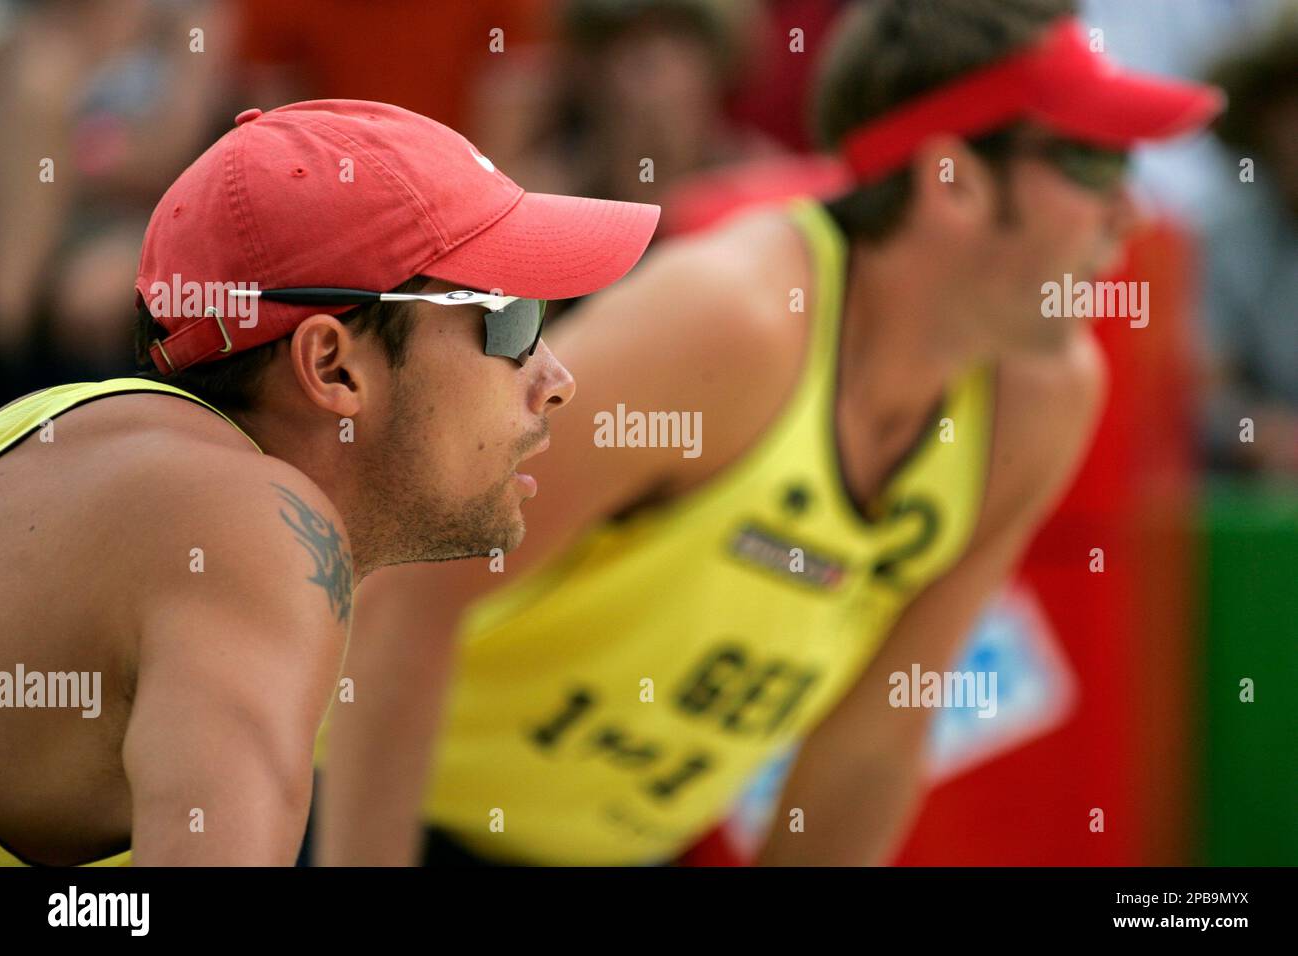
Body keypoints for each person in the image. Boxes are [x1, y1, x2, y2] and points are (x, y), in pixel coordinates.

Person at [318, 0, 1223, 866]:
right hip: (372, 809)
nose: (1129, 214)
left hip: (611, 847)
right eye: (1095, 166)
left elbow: (876, 736)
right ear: (952, 179)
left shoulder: (1044, 395)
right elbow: (407, 595)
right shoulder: (734, 321)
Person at [0, 98, 658, 866]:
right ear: (330, 366)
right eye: (512, 317)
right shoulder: (257, 532)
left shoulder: (60, 440)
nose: (557, 378)